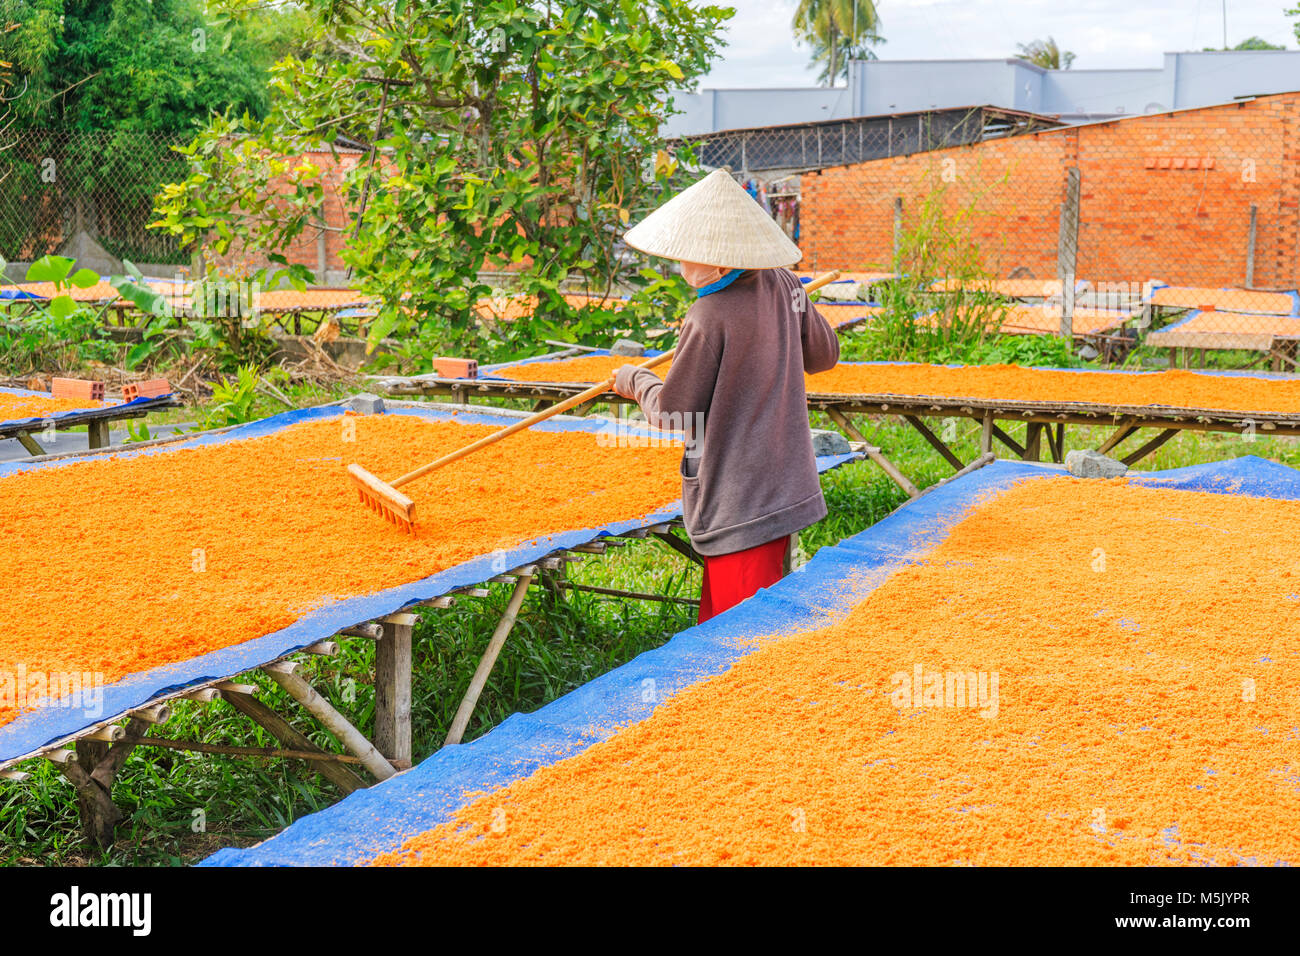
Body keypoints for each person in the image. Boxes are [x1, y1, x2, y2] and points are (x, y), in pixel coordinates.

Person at [613, 169, 839, 623]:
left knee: (741, 639)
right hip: (781, 483)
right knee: (726, 626)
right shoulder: (784, 284)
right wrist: (795, 301)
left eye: (687, 258)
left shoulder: (709, 314)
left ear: (719, 263)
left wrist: (635, 380)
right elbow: (823, 356)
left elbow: (676, 414)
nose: (680, 268)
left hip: (741, 499)